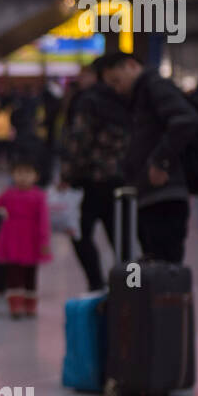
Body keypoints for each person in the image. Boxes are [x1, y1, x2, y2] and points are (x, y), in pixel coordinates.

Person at [95, 52, 198, 264]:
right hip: (151, 194)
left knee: (166, 266)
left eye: (117, 81)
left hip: (165, 193)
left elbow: (185, 121)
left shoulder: (154, 87)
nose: (117, 88)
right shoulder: (140, 94)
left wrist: (161, 162)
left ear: (131, 65)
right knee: (156, 264)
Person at [59, 62, 130, 291]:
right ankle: (126, 285)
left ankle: (96, 282)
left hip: (88, 181)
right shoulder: (123, 98)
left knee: (79, 233)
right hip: (119, 179)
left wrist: (66, 174)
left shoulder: (87, 100)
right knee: (119, 236)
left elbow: (79, 140)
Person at [0, 158, 51, 318]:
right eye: (19, 173)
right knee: (13, 274)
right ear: (13, 175)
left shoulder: (39, 196)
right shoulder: (9, 194)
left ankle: (30, 305)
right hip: (12, 239)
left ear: (36, 176)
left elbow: (43, 221)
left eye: (27, 173)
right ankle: (15, 306)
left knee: (30, 274)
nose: (23, 177)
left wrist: (44, 241)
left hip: (31, 240)